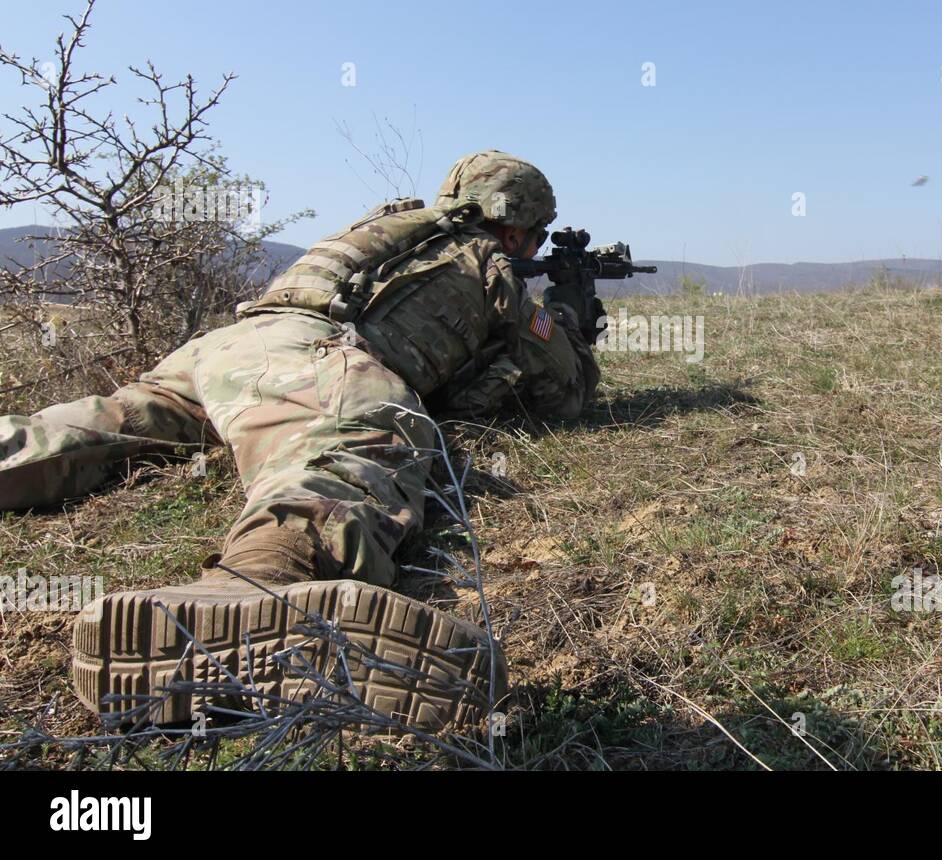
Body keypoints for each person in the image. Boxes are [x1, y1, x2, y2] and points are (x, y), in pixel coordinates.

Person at [0, 151, 599, 731]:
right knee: (367, 439)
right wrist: (567, 317)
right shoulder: (488, 261)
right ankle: (257, 579)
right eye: (537, 237)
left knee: (103, 427)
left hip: (226, 348)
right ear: (518, 227)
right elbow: (563, 391)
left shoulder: (391, 226)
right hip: (307, 358)